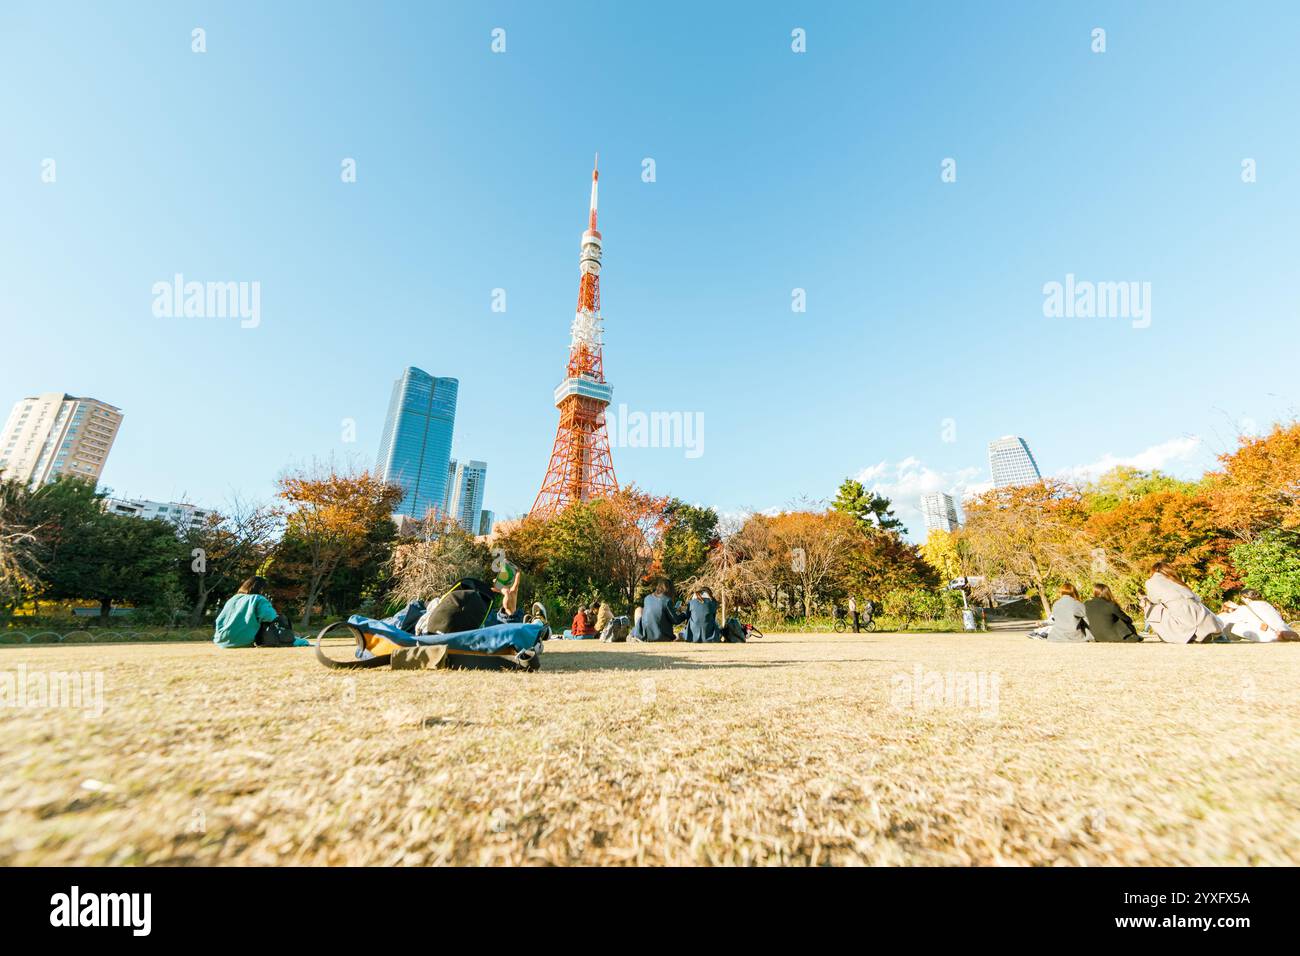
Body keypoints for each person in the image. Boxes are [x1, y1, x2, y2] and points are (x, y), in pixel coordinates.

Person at [1142, 562, 1224, 644]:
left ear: (1153, 571)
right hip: (1200, 612)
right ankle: (1200, 633)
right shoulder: (1177, 581)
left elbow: (1154, 600)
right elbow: (1198, 598)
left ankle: (1170, 634)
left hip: (1179, 610)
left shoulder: (1151, 582)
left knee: (1146, 603)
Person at [213, 576, 304, 648]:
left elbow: (219, 620)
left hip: (220, 640)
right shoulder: (258, 599)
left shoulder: (233, 599)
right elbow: (270, 617)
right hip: (241, 641)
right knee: (302, 642)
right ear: (261, 589)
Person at [1219, 591, 1299, 642]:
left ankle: (1223, 638)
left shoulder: (1245, 608)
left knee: (1233, 626)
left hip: (1269, 635)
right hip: (1283, 628)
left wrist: (1223, 614)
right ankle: (1284, 633)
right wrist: (1237, 607)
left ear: (1244, 598)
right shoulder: (1267, 604)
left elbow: (1226, 619)